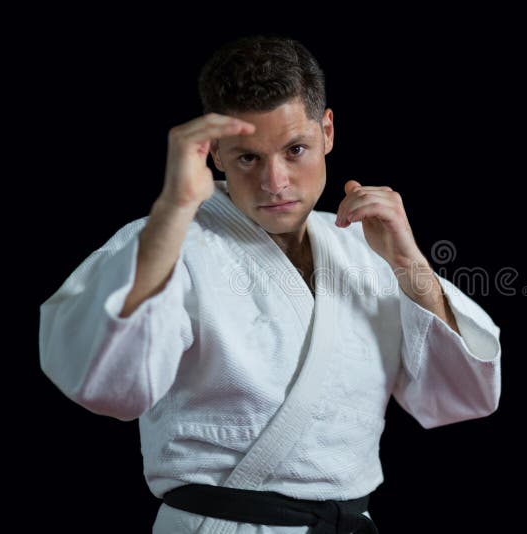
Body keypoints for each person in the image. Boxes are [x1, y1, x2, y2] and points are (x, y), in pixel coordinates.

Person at [39, 35, 502, 534]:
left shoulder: (365, 247)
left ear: (327, 131)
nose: (275, 182)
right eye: (247, 158)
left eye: (295, 149)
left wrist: (410, 263)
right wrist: (172, 211)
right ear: (214, 153)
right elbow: (105, 386)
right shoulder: (164, 241)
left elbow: (461, 396)